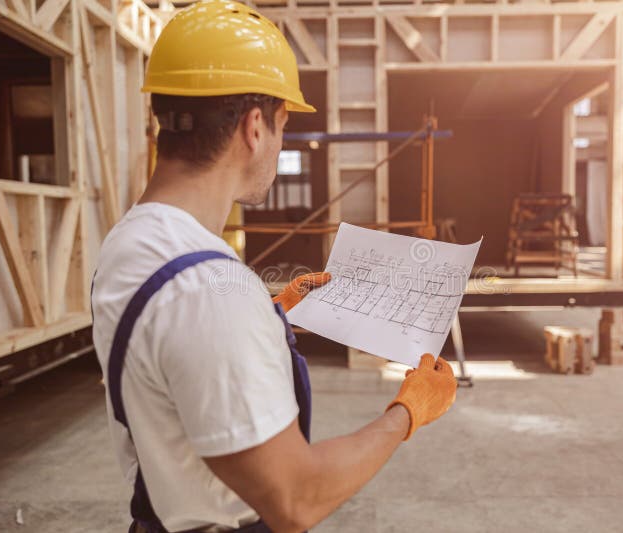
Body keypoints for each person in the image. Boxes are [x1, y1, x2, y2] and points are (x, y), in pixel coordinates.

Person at [91, 1, 458, 532]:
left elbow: (172, 349)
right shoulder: (210, 294)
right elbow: (296, 498)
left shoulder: (132, 240)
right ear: (255, 126)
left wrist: (271, 314)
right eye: (285, 125)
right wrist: (409, 410)